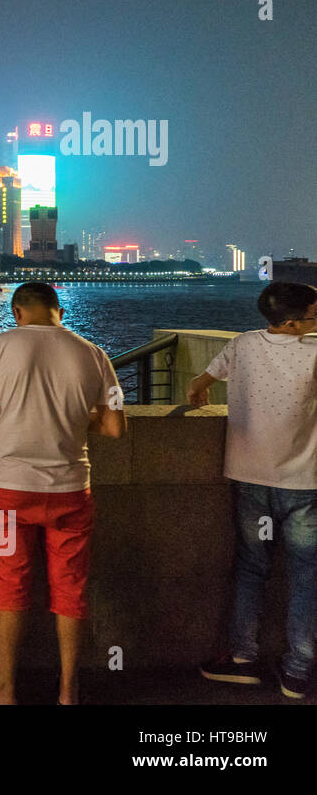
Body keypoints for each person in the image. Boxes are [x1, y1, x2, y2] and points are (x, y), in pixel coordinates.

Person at [0, 282, 125, 706]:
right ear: (59, 311)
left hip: (8, 487)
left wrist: (15, 410)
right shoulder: (95, 353)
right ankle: (69, 692)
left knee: (10, 585)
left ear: (17, 312)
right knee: (71, 587)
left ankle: (4, 688)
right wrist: (70, 418)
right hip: (71, 487)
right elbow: (114, 426)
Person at [190, 282, 317, 699]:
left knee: (251, 569)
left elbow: (197, 385)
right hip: (304, 482)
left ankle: (242, 658)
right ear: (295, 320)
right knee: (305, 575)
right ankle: (297, 671)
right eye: (314, 314)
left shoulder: (243, 345)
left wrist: (202, 394)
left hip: (249, 478)